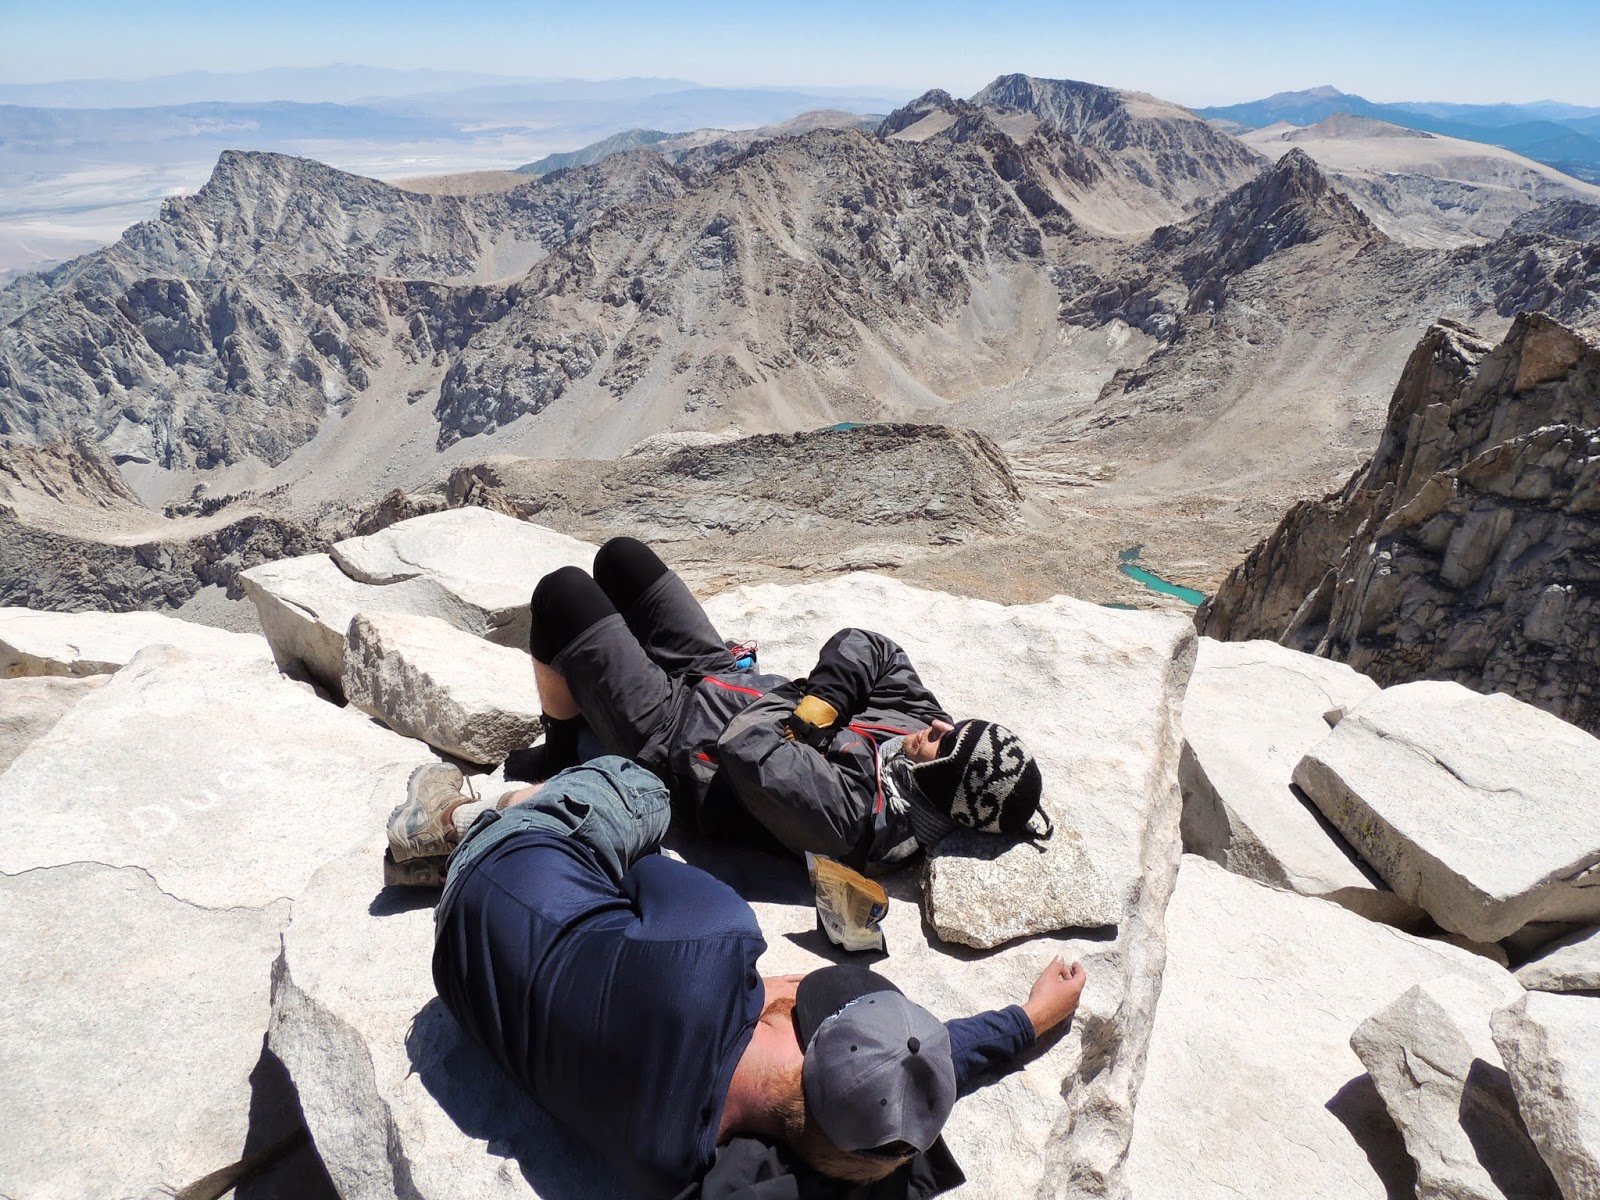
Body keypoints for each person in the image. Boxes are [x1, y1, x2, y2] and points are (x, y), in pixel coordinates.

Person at [413, 754, 1087, 1198]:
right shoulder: (692, 1162)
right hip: (462, 982)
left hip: (508, 867)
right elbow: (901, 1081)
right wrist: (1027, 1021)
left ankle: (467, 818)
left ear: (796, 1007)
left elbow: (639, 872)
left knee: (641, 792)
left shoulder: (715, 944)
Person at [494, 536, 1051, 873]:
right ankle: (602, 686)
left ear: (938, 783)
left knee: (561, 594)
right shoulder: (915, 735)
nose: (936, 723)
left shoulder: (853, 817)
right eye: (955, 726)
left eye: (945, 742)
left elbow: (749, 747)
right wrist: (827, 700)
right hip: (716, 675)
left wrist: (806, 711)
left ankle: (561, 752)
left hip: (670, 740)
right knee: (621, 559)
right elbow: (873, 648)